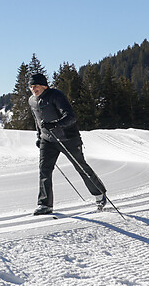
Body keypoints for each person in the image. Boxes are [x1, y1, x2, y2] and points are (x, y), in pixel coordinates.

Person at [28, 72, 108, 215]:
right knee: (44, 170)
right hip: (48, 140)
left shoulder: (56, 95)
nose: (34, 89)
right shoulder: (32, 101)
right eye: (31, 86)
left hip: (68, 138)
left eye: (36, 86)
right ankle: (45, 204)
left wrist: (55, 124)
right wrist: (39, 136)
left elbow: (70, 117)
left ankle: (99, 194)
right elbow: (38, 121)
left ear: (44, 86)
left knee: (80, 167)